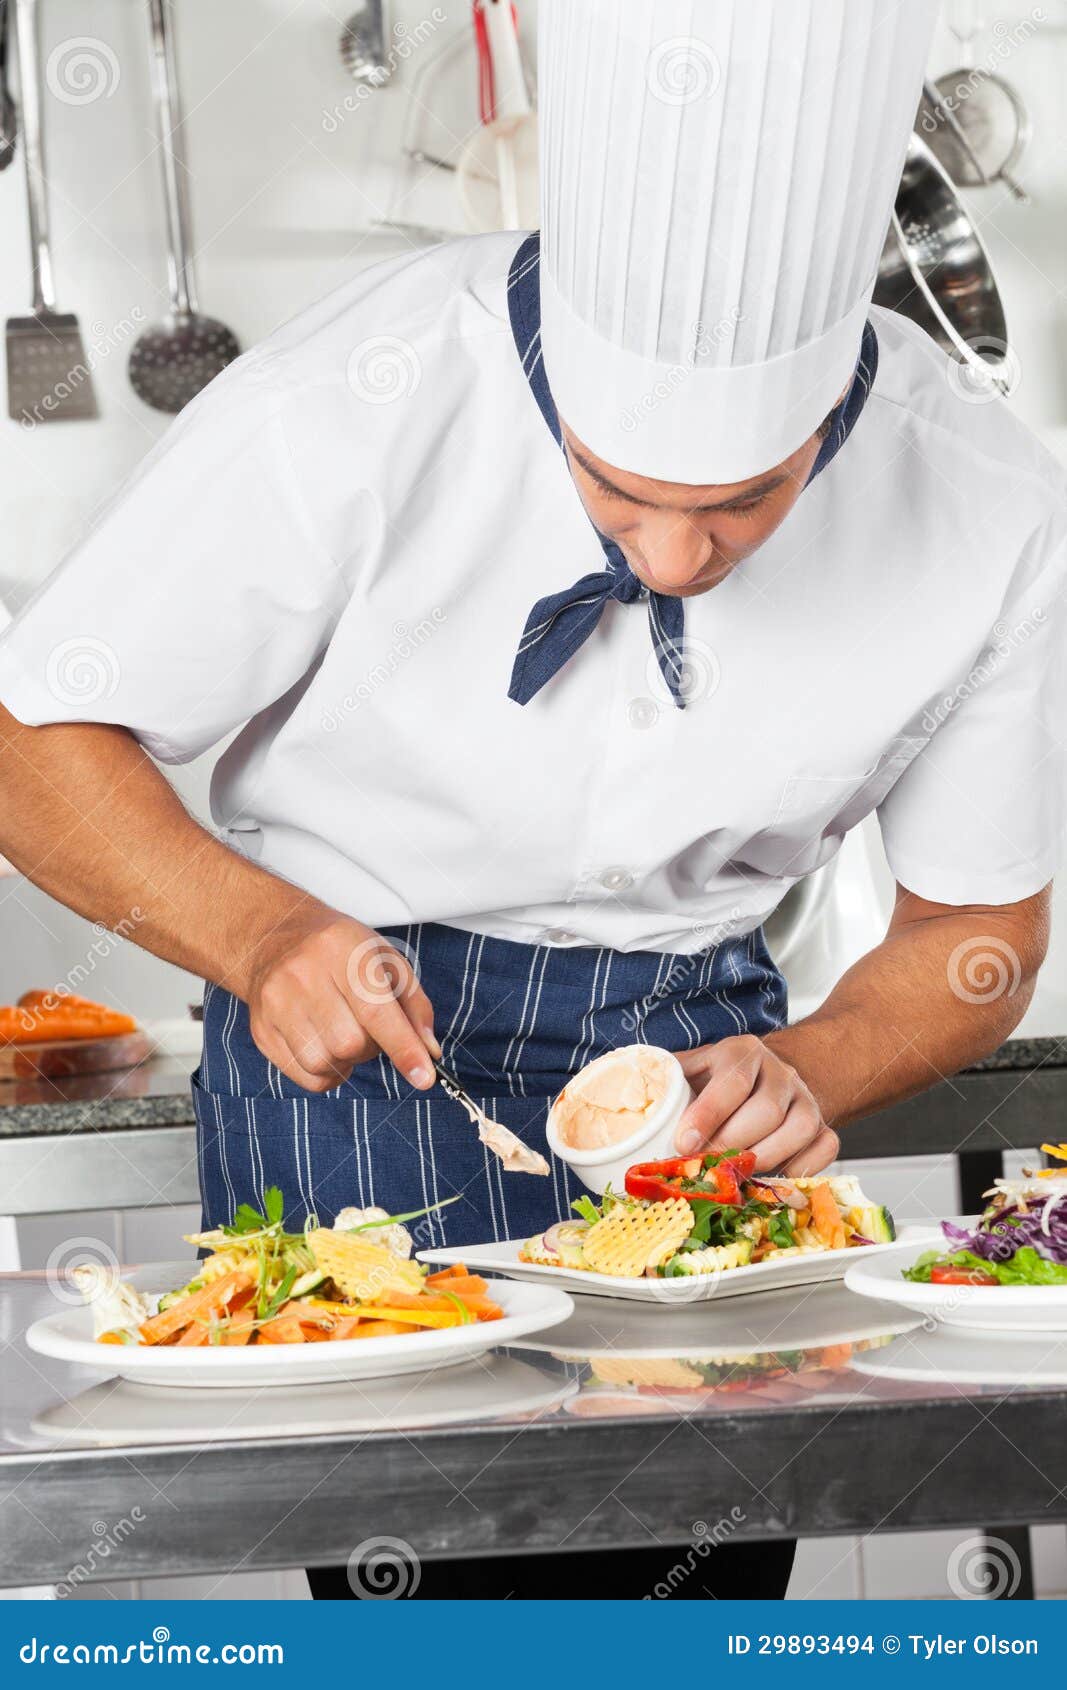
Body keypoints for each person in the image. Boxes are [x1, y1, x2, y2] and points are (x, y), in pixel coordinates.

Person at [0, 0, 1061, 1598]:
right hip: (345, 1039)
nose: (675, 561)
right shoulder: (355, 393)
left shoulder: (990, 500)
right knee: (423, 1585)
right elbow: (38, 743)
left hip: (702, 1062)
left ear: (833, 411)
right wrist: (261, 932)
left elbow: (979, 925)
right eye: (619, 491)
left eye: (747, 501)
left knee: (687, 1571)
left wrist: (815, 1060)